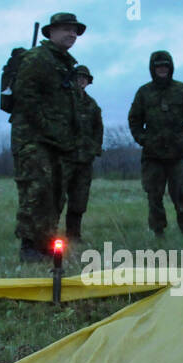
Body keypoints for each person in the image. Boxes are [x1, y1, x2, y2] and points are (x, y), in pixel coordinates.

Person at [11, 12, 84, 261]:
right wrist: (48, 128)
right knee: (37, 190)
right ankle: (29, 247)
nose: (71, 34)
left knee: (56, 193)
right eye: (65, 29)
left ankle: (45, 244)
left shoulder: (65, 63)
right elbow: (26, 97)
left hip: (59, 142)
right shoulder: (38, 59)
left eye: (74, 30)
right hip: (34, 139)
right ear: (50, 32)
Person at [127, 51, 183, 238]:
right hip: (153, 155)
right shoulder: (144, 92)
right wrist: (144, 140)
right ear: (153, 68)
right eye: (158, 66)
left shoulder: (182, 90)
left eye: (165, 66)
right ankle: (158, 232)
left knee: (182, 194)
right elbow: (134, 120)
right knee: (154, 195)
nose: (162, 69)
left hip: (178, 154)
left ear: (170, 68)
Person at [57, 64, 102, 241]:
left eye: (84, 78)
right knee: (57, 197)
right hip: (65, 158)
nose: (81, 80)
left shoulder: (92, 105)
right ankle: (49, 233)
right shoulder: (63, 101)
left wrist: (94, 149)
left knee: (79, 199)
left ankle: (73, 234)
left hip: (85, 160)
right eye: (78, 77)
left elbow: (98, 129)